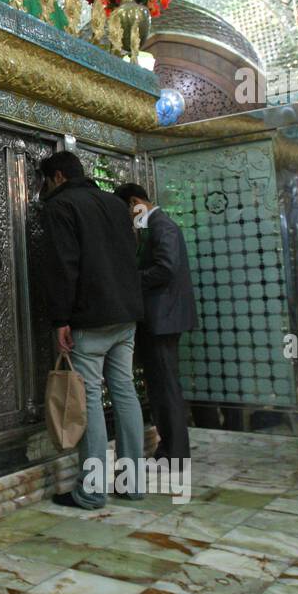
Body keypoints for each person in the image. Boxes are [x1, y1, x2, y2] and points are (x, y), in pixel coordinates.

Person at [36, 151, 145, 510]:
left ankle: (93, 490)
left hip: (89, 319)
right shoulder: (115, 204)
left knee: (91, 401)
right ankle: (132, 483)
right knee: (125, 392)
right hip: (125, 317)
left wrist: (60, 319)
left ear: (56, 177)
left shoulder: (61, 206)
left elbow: (63, 266)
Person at [114, 182, 197, 462]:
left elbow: (165, 268)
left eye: (128, 211)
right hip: (160, 319)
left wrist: (128, 281)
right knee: (161, 387)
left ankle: (174, 452)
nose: (129, 218)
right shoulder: (155, 226)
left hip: (163, 320)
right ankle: (170, 448)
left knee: (165, 388)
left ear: (135, 201)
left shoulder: (162, 226)